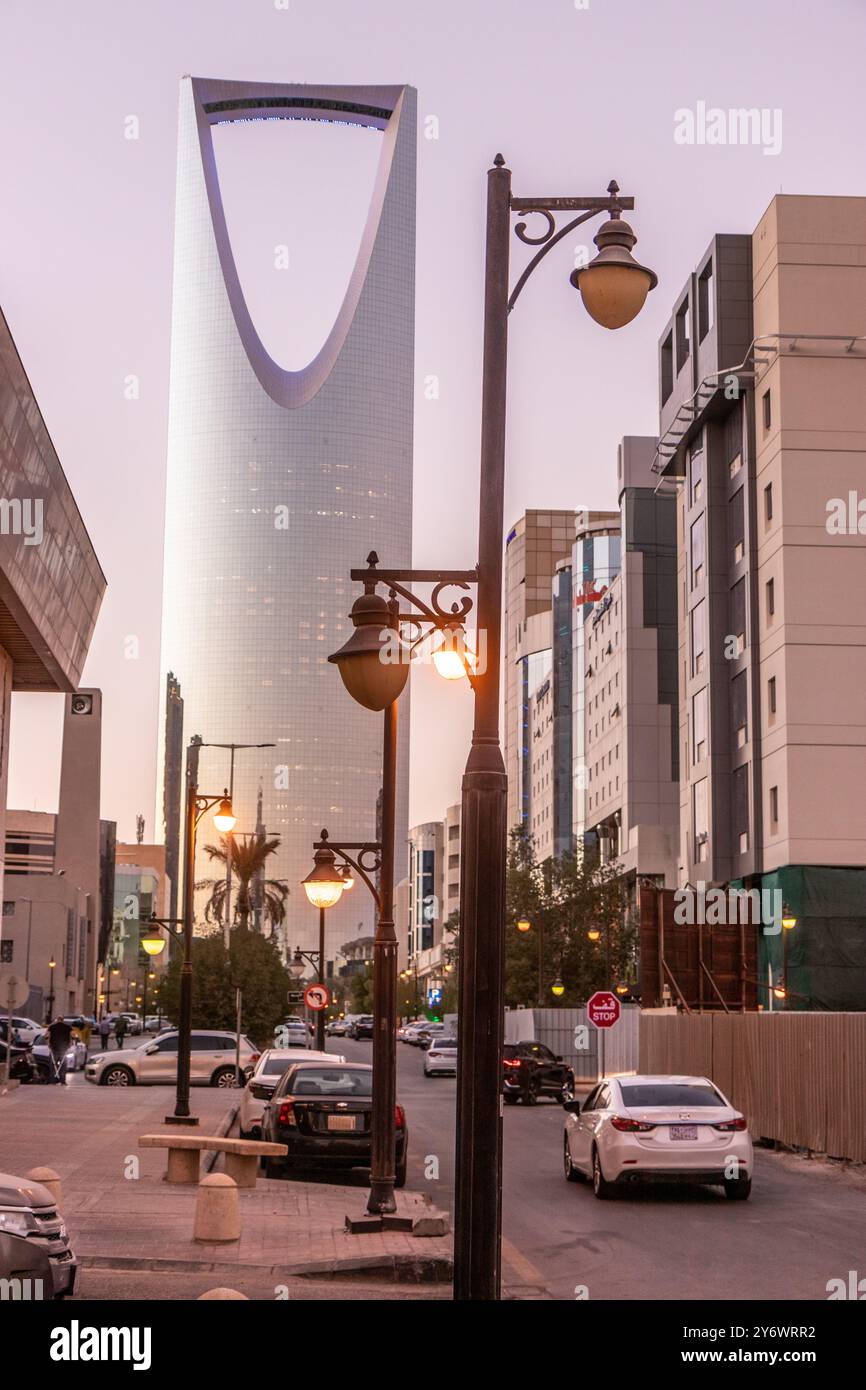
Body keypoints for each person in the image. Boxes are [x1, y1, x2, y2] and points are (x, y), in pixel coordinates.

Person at [46, 1016, 72, 1086]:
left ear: (57, 1020)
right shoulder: (68, 1027)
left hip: (54, 1048)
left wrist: (49, 1044)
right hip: (63, 1049)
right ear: (63, 1020)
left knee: (53, 1065)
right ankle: (62, 1081)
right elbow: (70, 1037)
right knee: (63, 1065)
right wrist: (69, 1045)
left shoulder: (52, 1027)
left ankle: (52, 1081)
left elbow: (47, 1036)